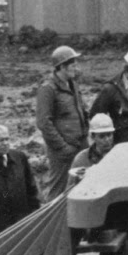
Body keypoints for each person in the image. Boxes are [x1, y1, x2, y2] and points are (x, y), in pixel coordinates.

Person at [35, 44, 89, 201]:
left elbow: (82, 110)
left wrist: (84, 135)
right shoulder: (48, 89)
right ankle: (52, 223)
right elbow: (44, 123)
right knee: (59, 190)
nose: (76, 67)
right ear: (62, 67)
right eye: (72, 64)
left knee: (82, 187)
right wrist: (63, 147)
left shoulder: (73, 84)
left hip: (80, 145)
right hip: (62, 151)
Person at [69, 113, 118, 181]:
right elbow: (71, 188)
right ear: (93, 137)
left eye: (109, 135)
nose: (107, 140)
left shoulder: (120, 156)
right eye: (102, 136)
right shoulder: (81, 159)